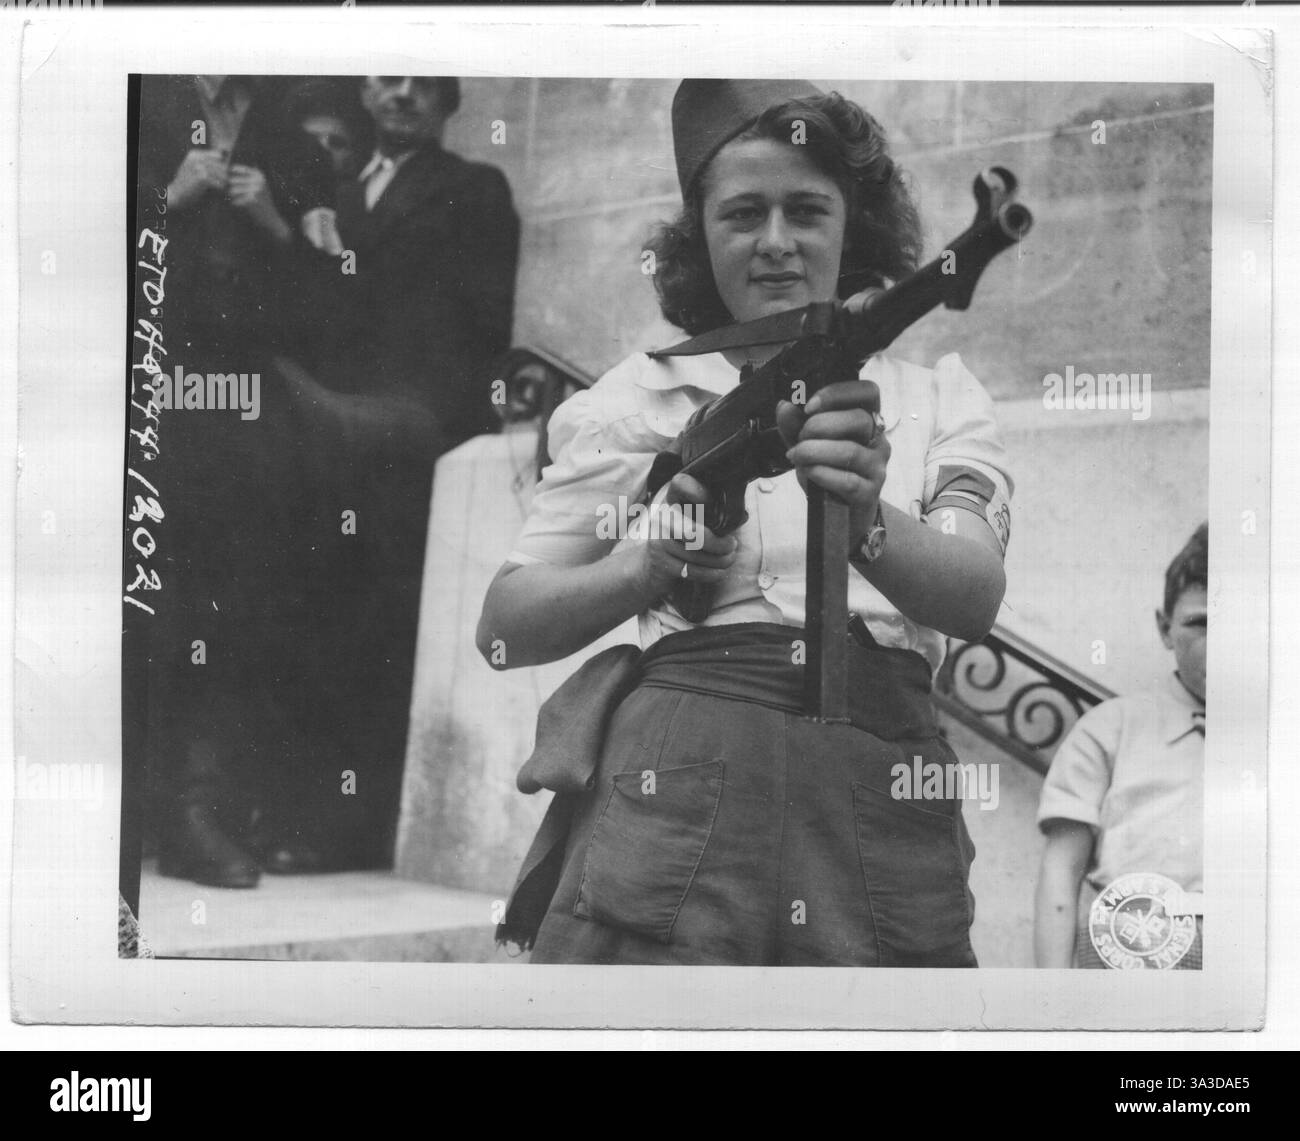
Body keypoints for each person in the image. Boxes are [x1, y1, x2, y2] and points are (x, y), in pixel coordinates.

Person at [479, 79, 1014, 966]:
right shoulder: (633, 398)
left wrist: (866, 520)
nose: (775, 241)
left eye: (806, 210)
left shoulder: (941, 398)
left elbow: (975, 596)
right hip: (676, 789)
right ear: (699, 235)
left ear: (852, 225)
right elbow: (504, 626)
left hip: (881, 792)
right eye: (741, 214)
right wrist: (642, 569)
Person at [271, 75, 521, 869]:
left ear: (447, 101)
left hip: (410, 432)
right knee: (312, 616)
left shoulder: (474, 189)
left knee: (377, 625)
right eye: (388, 78)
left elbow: (480, 328)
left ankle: (352, 829)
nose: (403, 94)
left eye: (422, 84)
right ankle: (288, 812)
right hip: (327, 436)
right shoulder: (336, 194)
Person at [135, 74, 338, 888]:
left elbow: (335, 292)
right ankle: (144, 809)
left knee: (231, 595)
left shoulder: (291, 134)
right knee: (149, 592)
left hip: (248, 392)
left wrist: (276, 225)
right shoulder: (146, 94)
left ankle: (198, 809)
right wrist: (167, 200)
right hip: (150, 382)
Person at [1034, 523, 1207, 970]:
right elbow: (1061, 873)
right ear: (1165, 628)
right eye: (1200, 623)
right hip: (1129, 955)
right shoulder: (1110, 729)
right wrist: (1052, 995)